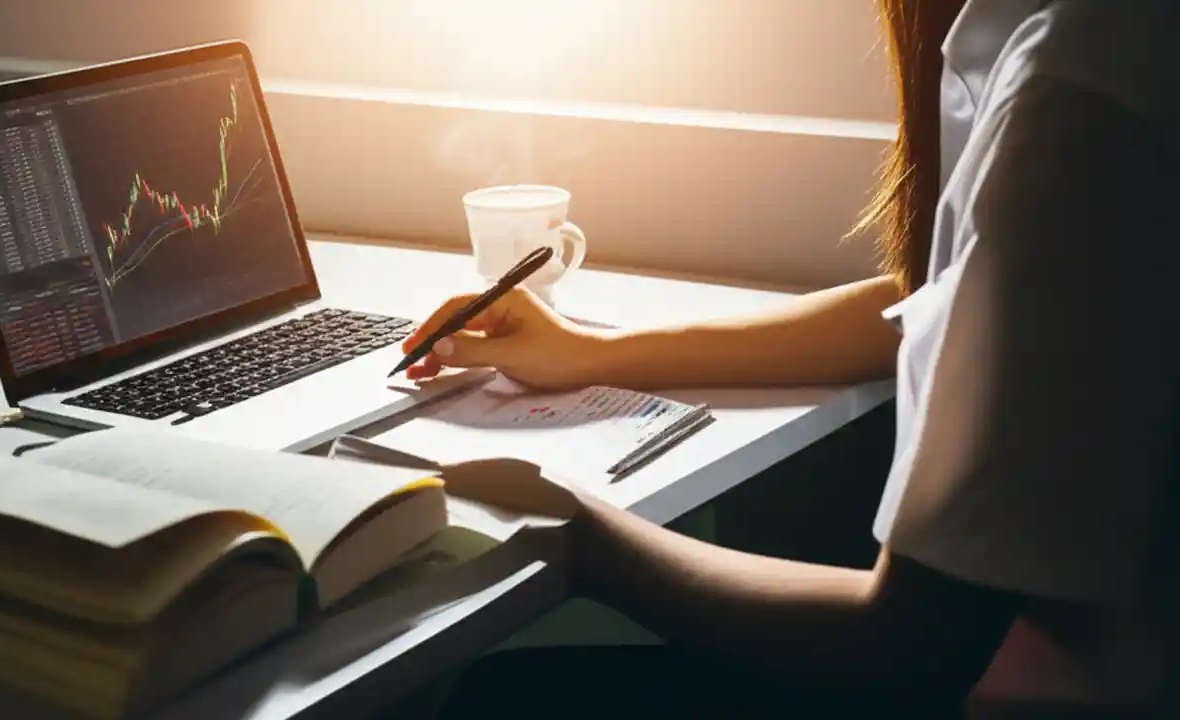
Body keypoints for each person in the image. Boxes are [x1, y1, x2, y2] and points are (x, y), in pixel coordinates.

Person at [402, 0, 1179, 716]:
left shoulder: (1081, 86)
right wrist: (593, 352)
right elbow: (931, 309)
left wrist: (569, 530)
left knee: (503, 697)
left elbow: (909, 646)